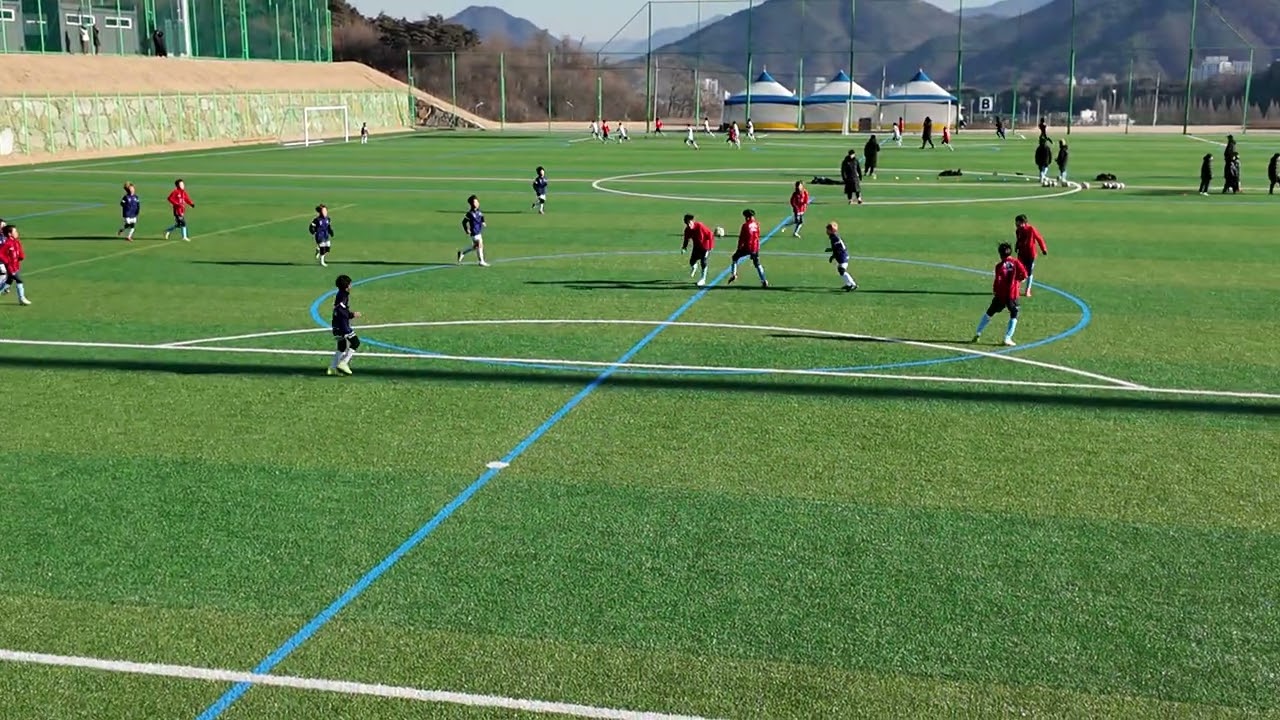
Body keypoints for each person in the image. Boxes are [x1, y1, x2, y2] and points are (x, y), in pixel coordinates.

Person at [972, 242, 1027, 346]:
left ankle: (978, 332)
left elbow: (997, 280)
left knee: (990, 312)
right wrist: (1018, 281)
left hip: (1001, 294)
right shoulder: (1016, 262)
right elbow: (1024, 275)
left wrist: (995, 290)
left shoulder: (999, 266)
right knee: (1014, 314)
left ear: (1000, 254)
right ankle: (1007, 338)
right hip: (1012, 294)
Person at [327, 274, 361, 376]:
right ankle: (344, 363)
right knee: (355, 342)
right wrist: (352, 314)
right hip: (342, 325)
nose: (351, 286)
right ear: (347, 286)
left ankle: (332, 368)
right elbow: (340, 309)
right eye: (350, 284)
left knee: (341, 346)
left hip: (336, 324)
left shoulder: (339, 294)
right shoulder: (344, 295)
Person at [727, 208, 767, 288]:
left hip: (747, 247)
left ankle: (734, 274)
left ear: (747, 217)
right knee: (757, 263)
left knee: (734, 258)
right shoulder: (757, 224)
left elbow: (741, 238)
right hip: (755, 247)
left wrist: (739, 248)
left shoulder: (745, 225)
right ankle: (763, 280)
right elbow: (757, 236)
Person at [1013, 214, 1048, 297]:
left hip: (1030, 254)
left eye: (1018, 223)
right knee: (1018, 271)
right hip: (1021, 253)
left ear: (1024, 223)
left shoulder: (1031, 229)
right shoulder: (1018, 230)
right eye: (1016, 224)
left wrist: (1044, 249)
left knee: (1029, 272)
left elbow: (1039, 238)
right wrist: (1016, 247)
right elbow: (1018, 240)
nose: (1017, 225)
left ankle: (1027, 290)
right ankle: (1016, 289)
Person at [681, 213, 715, 287]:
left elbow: (710, 234)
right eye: (687, 223)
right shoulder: (687, 230)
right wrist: (684, 247)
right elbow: (686, 239)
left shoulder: (700, 226)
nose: (689, 225)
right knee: (692, 262)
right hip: (696, 247)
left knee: (703, 262)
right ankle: (694, 267)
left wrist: (710, 246)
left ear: (692, 221)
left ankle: (703, 279)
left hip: (705, 247)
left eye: (689, 222)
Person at [0, 223, 31, 304]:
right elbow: (0, 254)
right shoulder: (7, 243)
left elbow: (19, 251)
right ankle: (22, 298)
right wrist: (7, 262)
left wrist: (21, 256)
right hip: (11, 267)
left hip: (16, 265)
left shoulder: (16, 242)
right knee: (19, 280)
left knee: (8, 282)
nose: (17, 233)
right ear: (10, 234)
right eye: (15, 231)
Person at [457, 194, 489, 266]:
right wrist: (466, 229)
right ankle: (481, 261)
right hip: (474, 232)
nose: (477, 203)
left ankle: (462, 252)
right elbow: (464, 222)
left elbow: (481, 217)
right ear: (471, 204)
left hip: (479, 231)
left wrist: (483, 222)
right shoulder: (470, 214)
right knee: (480, 244)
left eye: (477, 202)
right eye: (475, 202)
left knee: (476, 246)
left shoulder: (479, 211)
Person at [825, 221, 857, 292]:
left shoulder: (834, 238)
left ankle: (853, 284)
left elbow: (839, 248)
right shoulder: (833, 237)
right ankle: (849, 284)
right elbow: (837, 248)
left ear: (831, 231)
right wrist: (832, 253)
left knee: (841, 270)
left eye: (828, 230)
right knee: (840, 270)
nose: (826, 231)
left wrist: (833, 255)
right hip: (842, 255)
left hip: (842, 256)